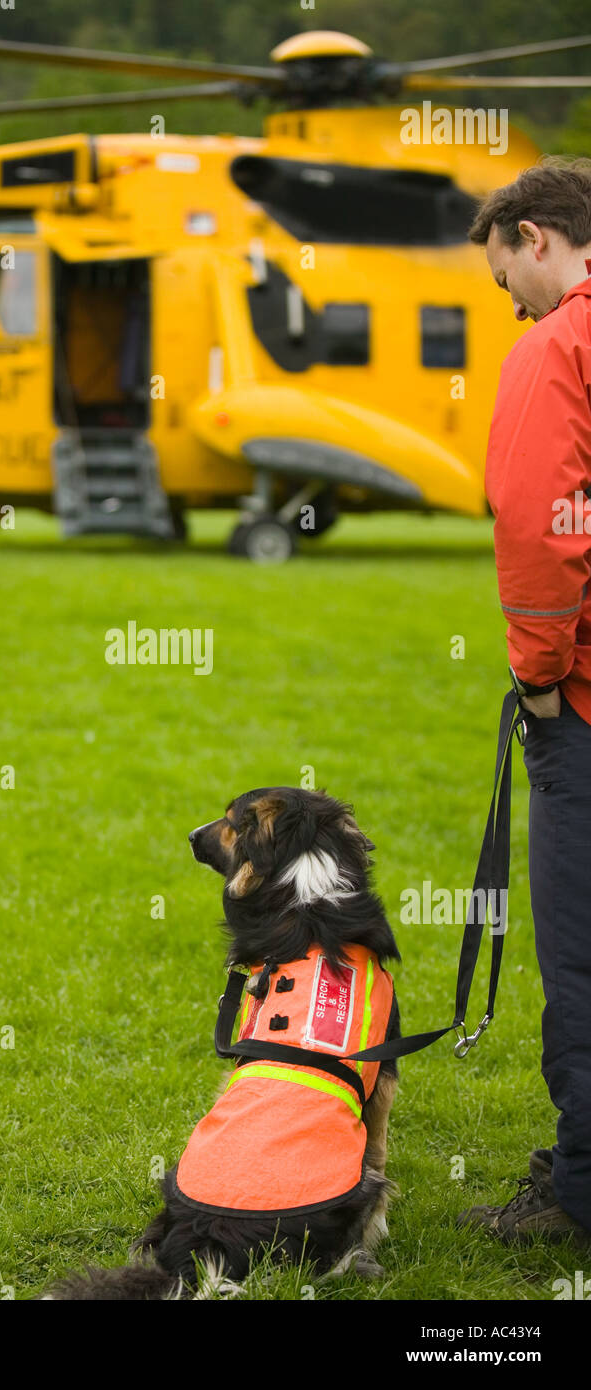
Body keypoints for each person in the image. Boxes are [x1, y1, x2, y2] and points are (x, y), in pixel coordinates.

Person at [460, 157, 591, 1246]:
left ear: (537, 235)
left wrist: (541, 680)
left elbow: (543, 523)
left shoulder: (557, 347)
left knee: (583, 952)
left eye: (511, 278)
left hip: (588, 707)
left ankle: (582, 1189)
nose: (514, 304)